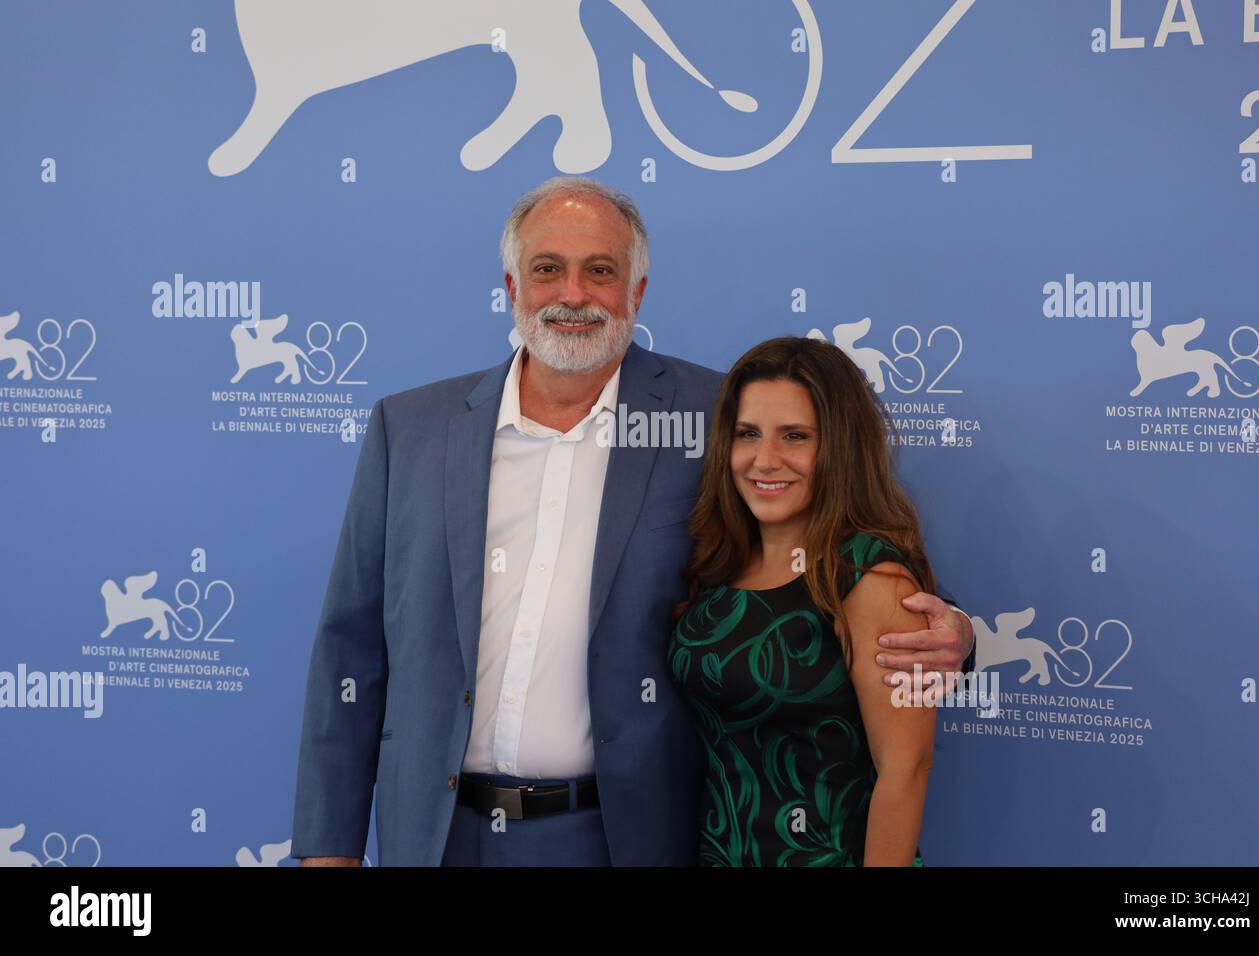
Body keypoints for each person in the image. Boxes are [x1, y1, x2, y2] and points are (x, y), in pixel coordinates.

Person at [290, 176, 975, 866]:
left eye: (601, 271)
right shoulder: (408, 430)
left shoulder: (716, 418)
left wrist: (949, 630)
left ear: (637, 292)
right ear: (512, 286)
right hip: (438, 838)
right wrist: (328, 849)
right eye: (547, 269)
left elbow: (826, 539)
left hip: (624, 838)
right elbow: (349, 652)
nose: (573, 294)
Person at [669, 337, 942, 866]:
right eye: (747, 434)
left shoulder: (875, 580)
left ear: (839, 448)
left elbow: (907, 769)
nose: (764, 460)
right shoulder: (721, 560)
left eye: (795, 437)